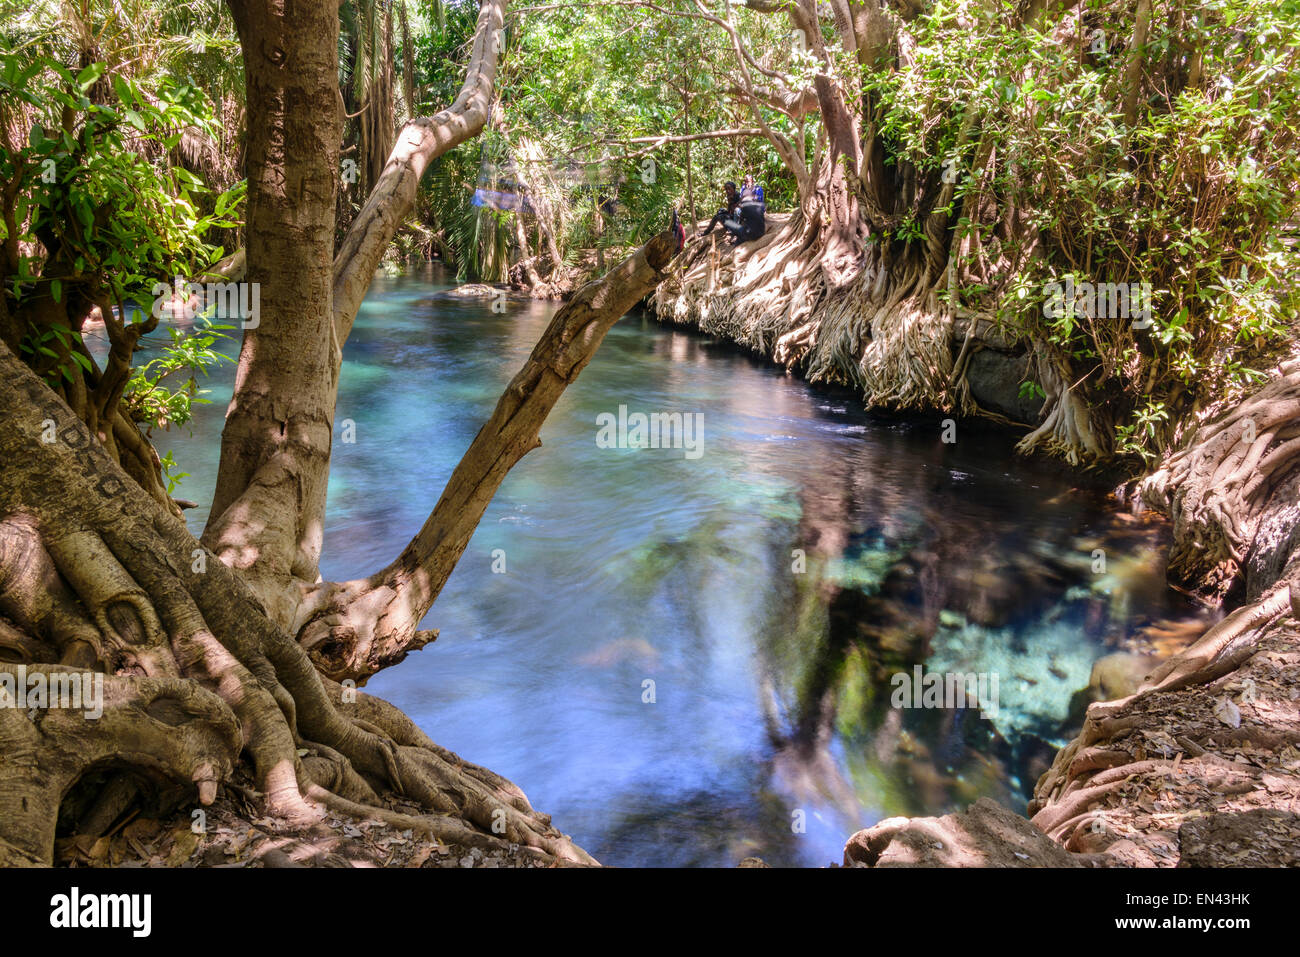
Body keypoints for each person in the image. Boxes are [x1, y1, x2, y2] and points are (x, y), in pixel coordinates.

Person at [723, 174, 766, 245]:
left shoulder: (758, 188)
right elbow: (740, 200)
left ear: (752, 181)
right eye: (745, 181)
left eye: (748, 181)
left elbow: (758, 200)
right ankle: (736, 232)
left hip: (750, 231)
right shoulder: (743, 188)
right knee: (737, 211)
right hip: (761, 231)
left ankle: (735, 233)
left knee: (731, 221)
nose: (746, 183)